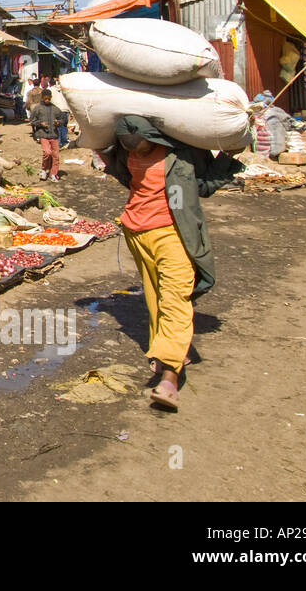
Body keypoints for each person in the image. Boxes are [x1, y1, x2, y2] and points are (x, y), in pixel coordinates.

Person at [99, 115, 243, 411]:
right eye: (131, 149)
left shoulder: (183, 151)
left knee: (175, 296)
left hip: (173, 231)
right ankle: (169, 349)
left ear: (155, 137)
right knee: (154, 296)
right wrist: (102, 149)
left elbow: (203, 186)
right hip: (136, 232)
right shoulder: (125, 150)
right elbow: (124, 177)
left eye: (141, 148)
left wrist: (227, 157)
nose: (137, 153)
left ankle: (169, 377)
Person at [29, 88, 67, 181]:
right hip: (43, 134)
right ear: (42, 98)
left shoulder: (55, 109)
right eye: (45, 99)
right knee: (47, 153)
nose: (47, 100)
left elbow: (64, 119)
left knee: (55, 155)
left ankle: (53, 173)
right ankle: (44, 169)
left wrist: (58, 123)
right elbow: (32, 121)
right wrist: (40, 124)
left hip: (54, 135)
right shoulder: (37, 108)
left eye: (49, 99)